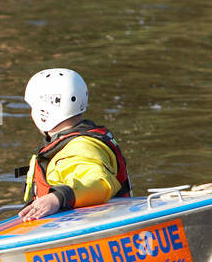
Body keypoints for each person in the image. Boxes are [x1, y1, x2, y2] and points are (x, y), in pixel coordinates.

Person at [17, 68, 130, 222]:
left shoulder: (80, 148)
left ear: (44, 112)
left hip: (91, 228)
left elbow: (99, 183)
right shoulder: (76, 142)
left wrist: (58, 198)